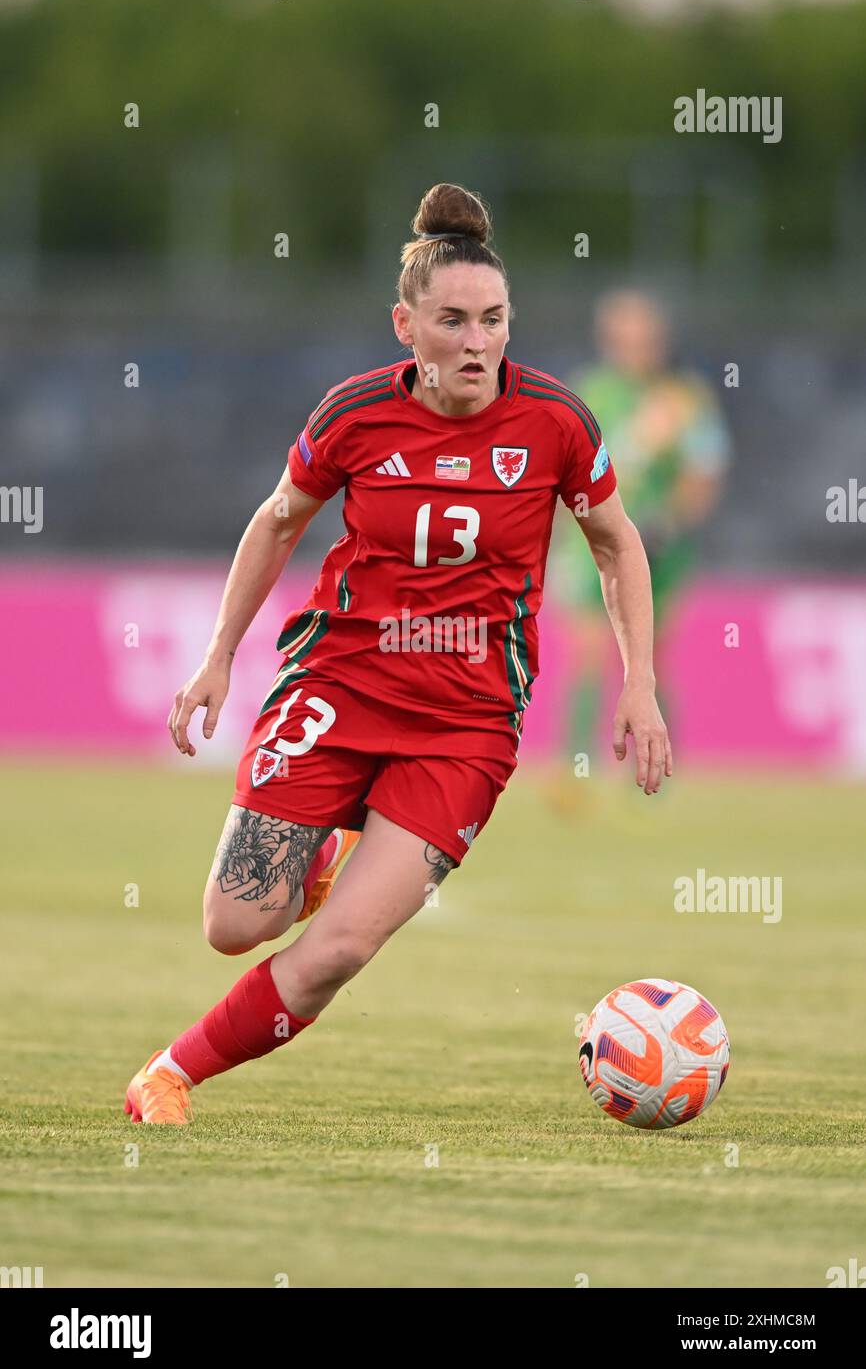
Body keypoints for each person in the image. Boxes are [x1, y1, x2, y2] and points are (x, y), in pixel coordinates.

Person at [124, 183, 671, 1125]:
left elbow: (618, 542)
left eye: (493, 321)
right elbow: (278, 520)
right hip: (338, 682)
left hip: (464, 724)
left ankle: (168, 1075)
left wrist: (641, 686)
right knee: (234, 925)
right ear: (405, 324)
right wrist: (218, 655)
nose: (476, 342)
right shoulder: (354, 415)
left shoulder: (556, 424)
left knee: (337, 951)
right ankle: (327, 856)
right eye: (452, 320)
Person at [545, 289, 730, 805]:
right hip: (589, 545)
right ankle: (575, 769)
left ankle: (655, 774)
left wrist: (671, 519)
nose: (636, 348)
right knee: (586, 652)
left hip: (657, 550)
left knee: (653, 658)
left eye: (645, 338)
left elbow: (705, 473)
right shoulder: (588, 394)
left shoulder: (683, 399)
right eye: (626, 338)